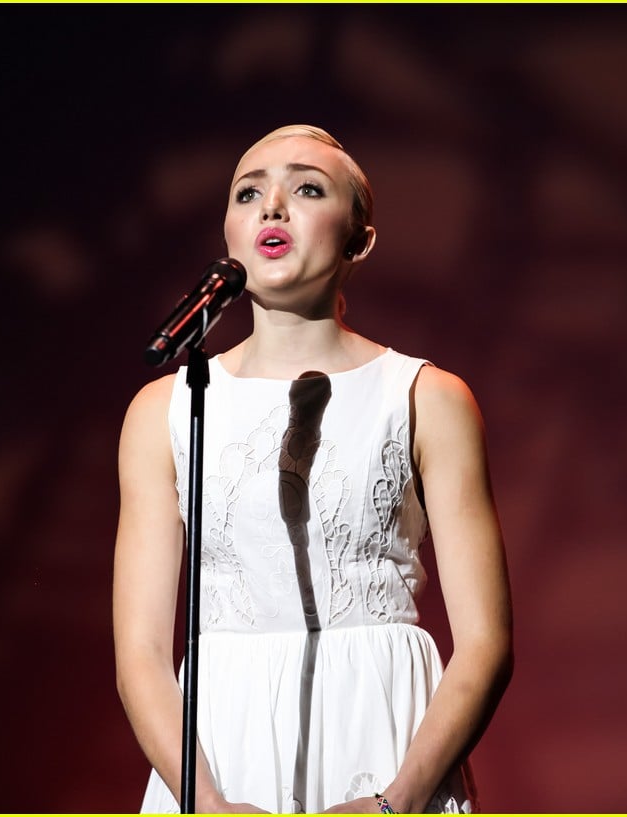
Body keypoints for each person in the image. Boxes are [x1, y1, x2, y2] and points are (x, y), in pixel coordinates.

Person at [113, 125, 513, 814]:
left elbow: (485, 642)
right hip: (221, 752)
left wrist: (396, 801)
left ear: (359, 239)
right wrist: (205, 803)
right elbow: (142, 650)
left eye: (306, 187)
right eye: (248, 192)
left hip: (383, 738)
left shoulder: (427, 398)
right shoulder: (167, 410)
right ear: (228, 235)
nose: (272, 206)